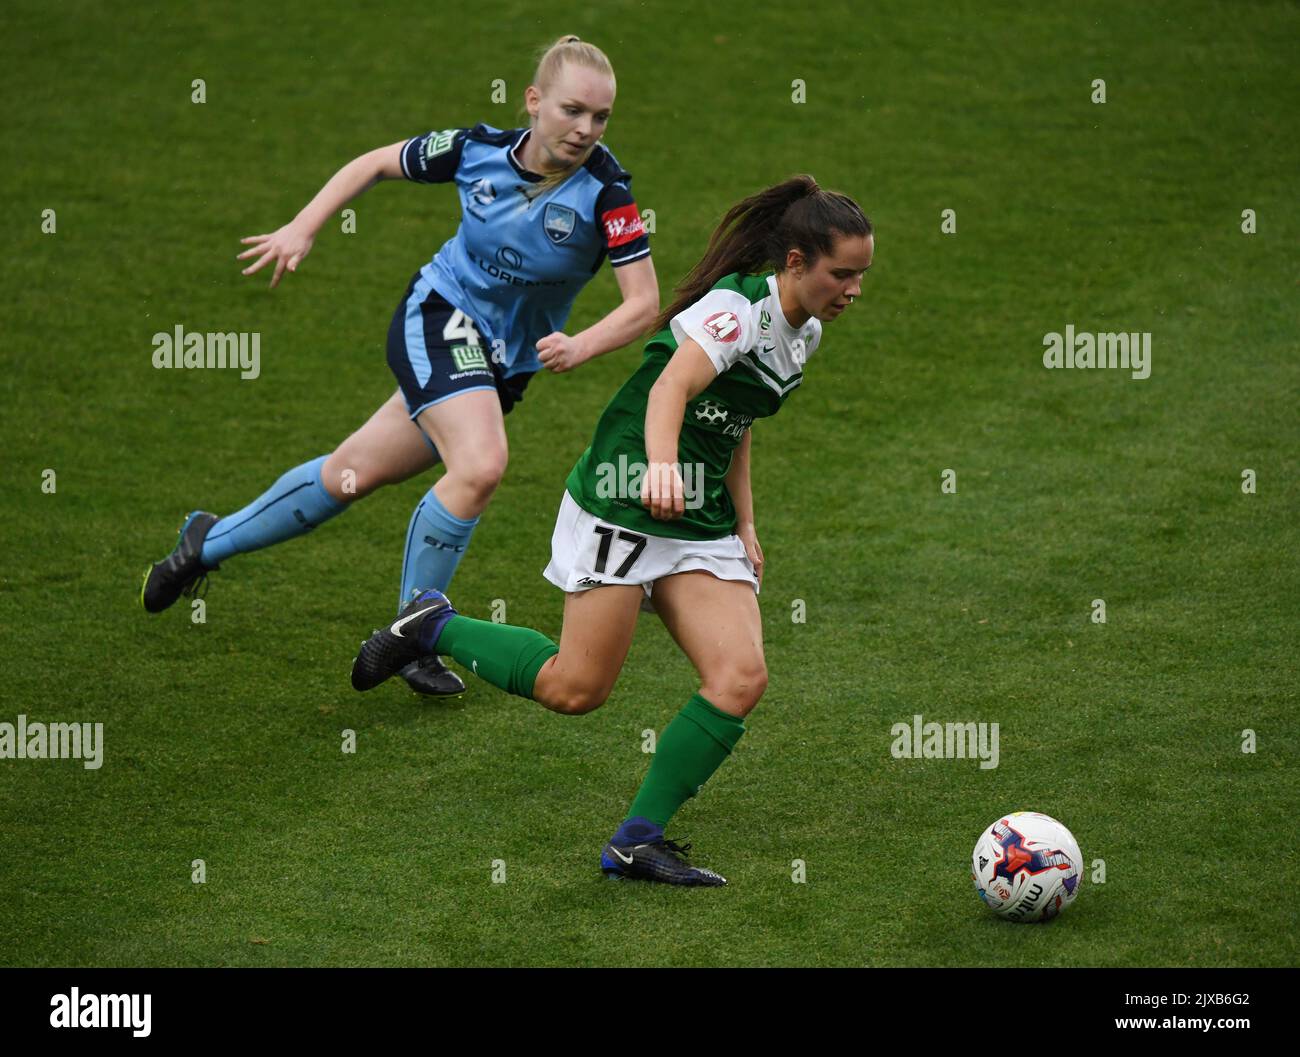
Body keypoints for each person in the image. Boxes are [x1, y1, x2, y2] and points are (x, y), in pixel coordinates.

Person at [350, 175, 874, 885]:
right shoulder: (734, 314)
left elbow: (735, 420)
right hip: (627, 495)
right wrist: (659, 467)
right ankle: (432, 625)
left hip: (699, 517)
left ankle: (636, 841)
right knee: (576, 688)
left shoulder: (801, 334)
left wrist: (746, 521)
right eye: (841, 273)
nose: (853, 289)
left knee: (740, 677)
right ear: (795, 263)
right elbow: (671, 389)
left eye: (861, 275)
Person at [140, 36, 659, 697]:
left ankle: (203, 544)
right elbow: (375, 163)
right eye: (572, 110)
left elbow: (643, 304)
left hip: (504, 363)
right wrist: (303, 226)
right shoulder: (474, 151)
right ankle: (418, 630)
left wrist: (582, 344)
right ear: (533, 102)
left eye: (601, 117)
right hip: (439, 319)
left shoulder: (606, 194)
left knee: (349, 474)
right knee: (479, 465)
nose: (586, 129)